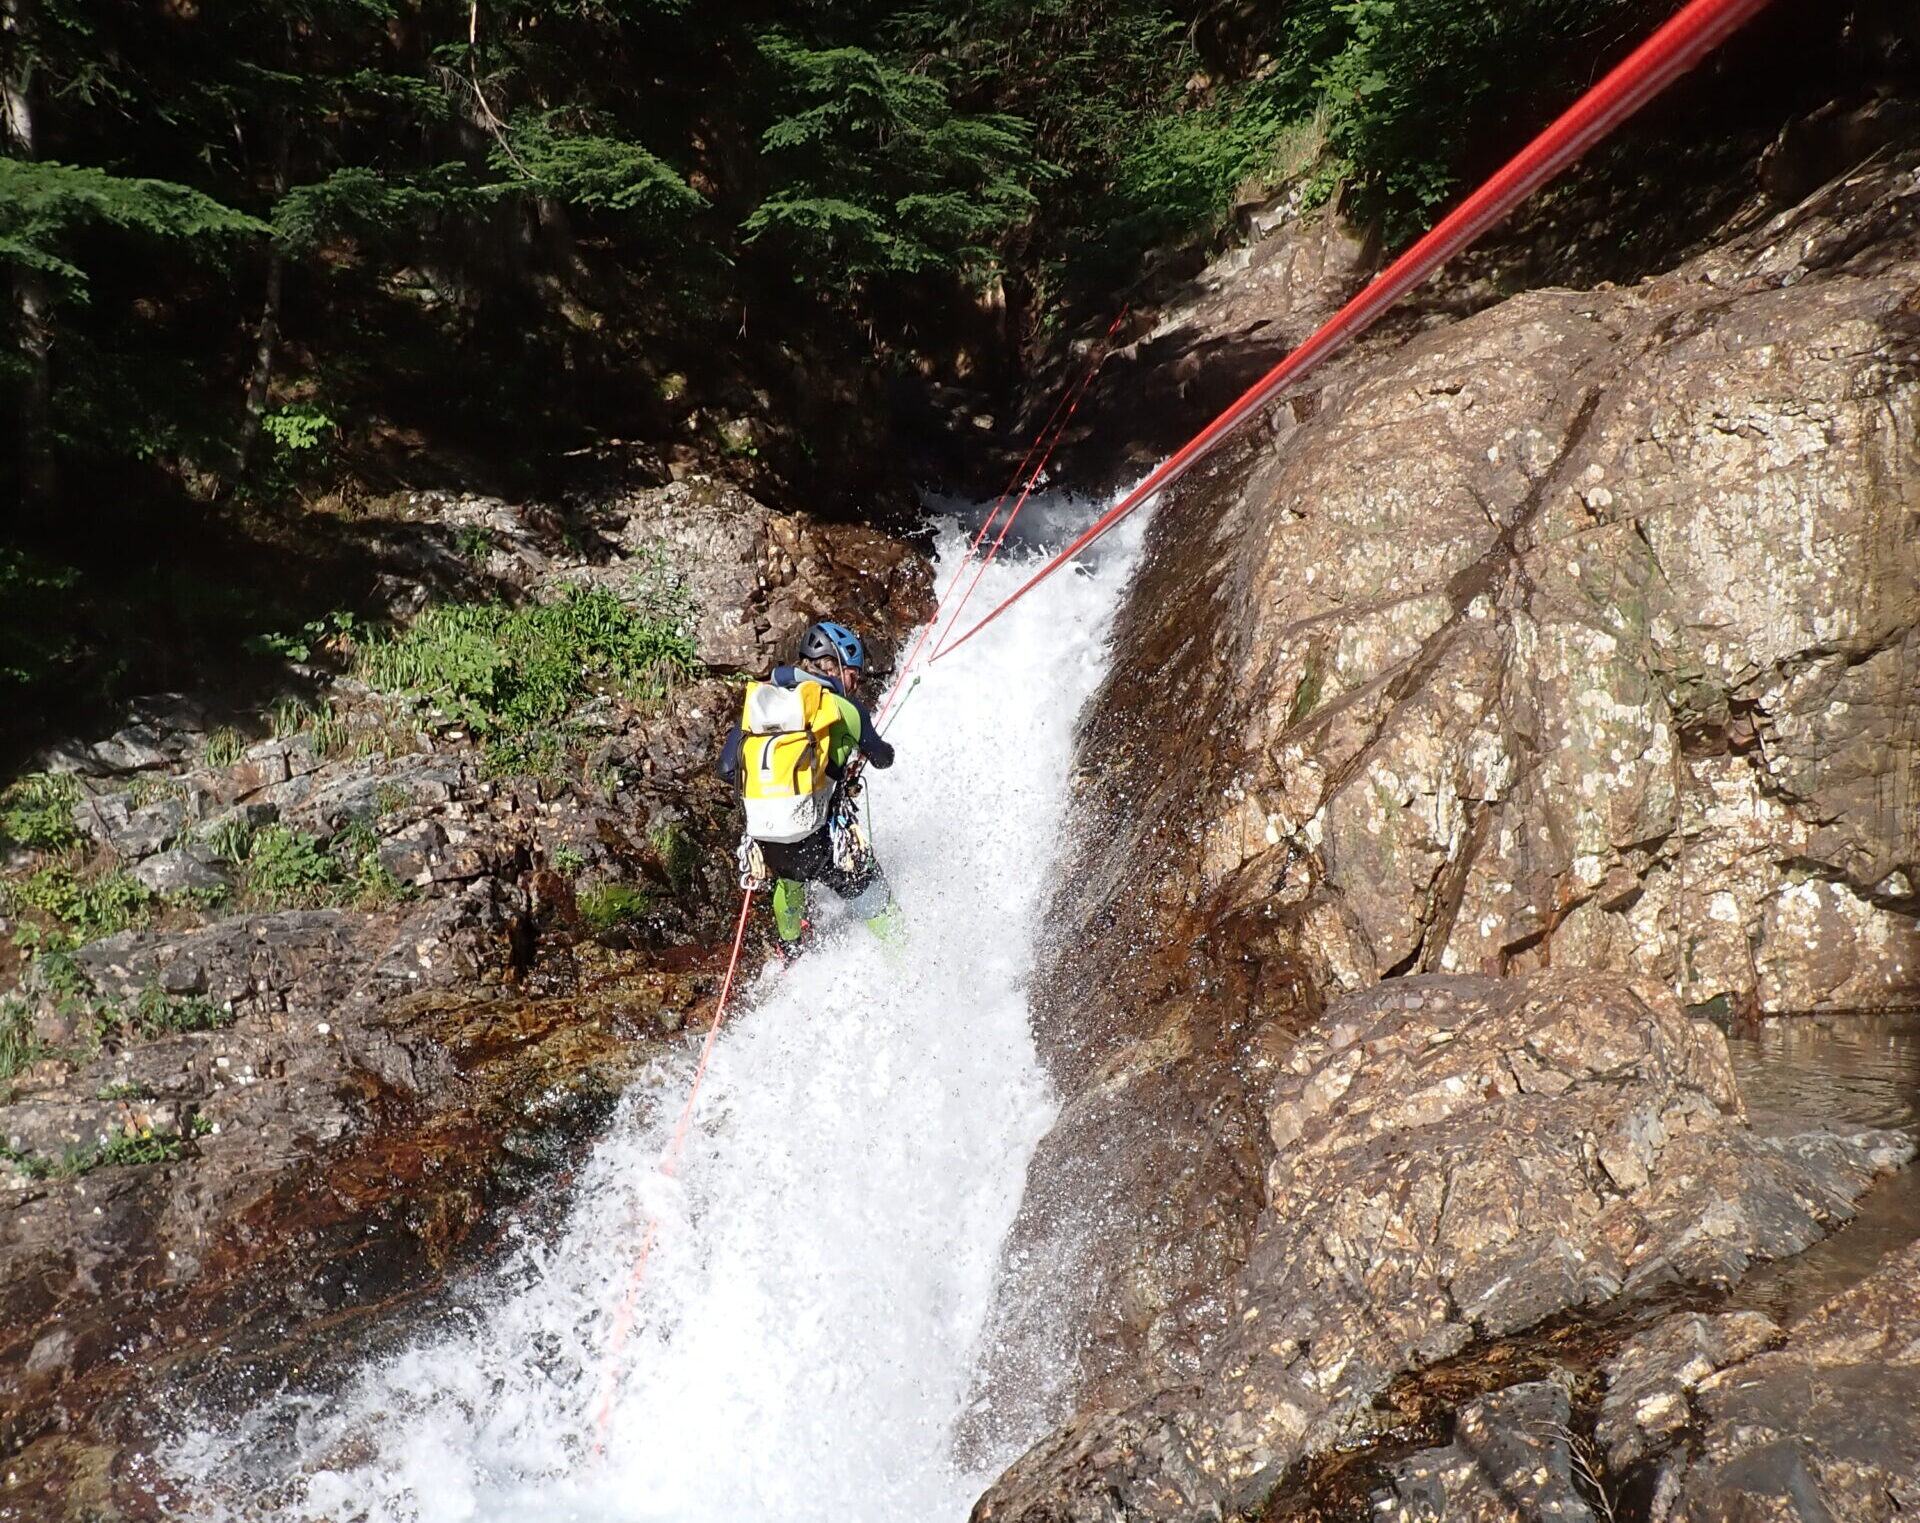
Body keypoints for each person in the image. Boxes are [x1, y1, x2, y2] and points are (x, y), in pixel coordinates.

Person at [718, 620, 898, 962]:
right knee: (869, 890)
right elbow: (883, 758)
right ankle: (907, 960)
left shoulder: (759, 704)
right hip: (820, 843)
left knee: (789, 878)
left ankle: (790, 949)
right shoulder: (845, 709)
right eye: (853, 676)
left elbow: (727, 770)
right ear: (837, 666)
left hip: (769, 843)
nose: (854, 686)